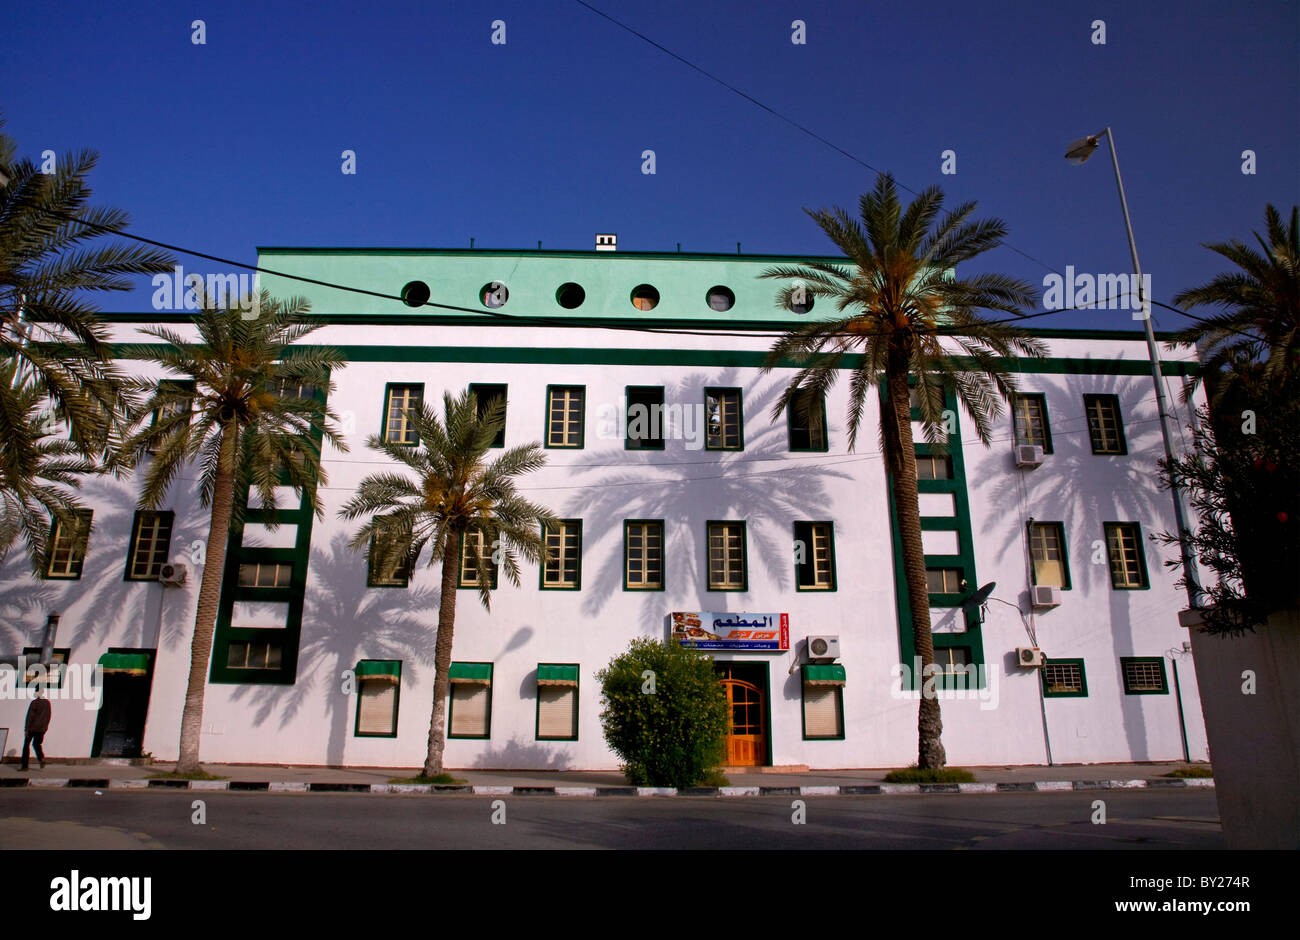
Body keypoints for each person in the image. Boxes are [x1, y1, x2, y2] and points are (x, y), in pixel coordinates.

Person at [20, 689, 51, 771]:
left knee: (26, 746)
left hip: (32, 728)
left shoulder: (34, 703)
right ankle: (41, 758)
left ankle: (24, 766)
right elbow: (48, 716)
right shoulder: (47, 703)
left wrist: (26, 729)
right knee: (37, 744)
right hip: (41, 729)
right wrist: (45, 728)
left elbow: (30, 716)